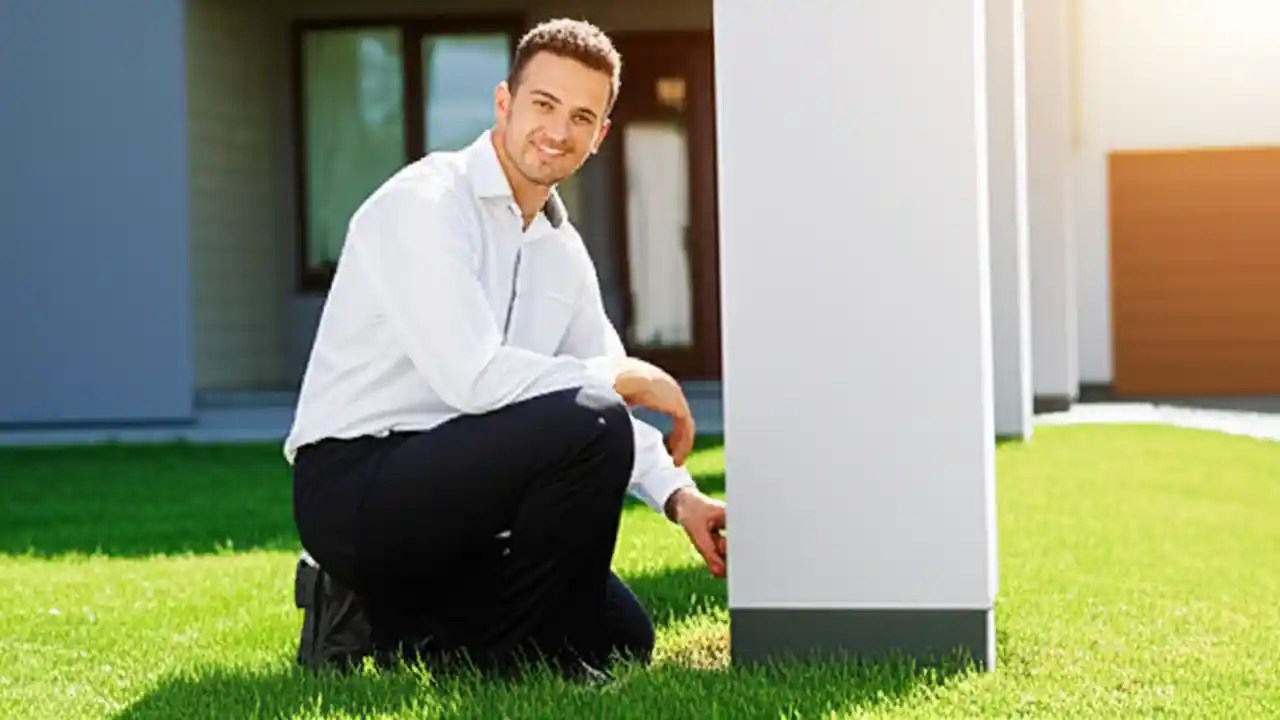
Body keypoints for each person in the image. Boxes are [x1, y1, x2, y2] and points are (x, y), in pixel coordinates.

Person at [284, 18, 727, 683]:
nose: (558, 130)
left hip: (460, 494)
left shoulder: (561, 249)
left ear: (600, 135)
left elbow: (590, 391)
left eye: (582, 116)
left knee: (622, 634)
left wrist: (679, 497)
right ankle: (519, 664)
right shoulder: (425, 205)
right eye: (543, 105)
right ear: (504, 103)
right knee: (592, 419)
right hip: (355, 486)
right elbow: (477, 378)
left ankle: (369, 615)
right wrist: (622, 377)